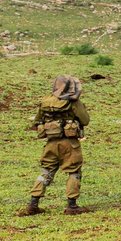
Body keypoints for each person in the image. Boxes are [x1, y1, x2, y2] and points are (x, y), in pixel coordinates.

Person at [17, 75, 91, 216]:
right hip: (70, 144)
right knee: (74, 172)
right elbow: (85, 120)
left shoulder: (45, 101)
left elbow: (37, 121)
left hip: (51, 143)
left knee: (46, 172)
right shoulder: (73, 102)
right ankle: (72, 206)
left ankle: (33, 204)